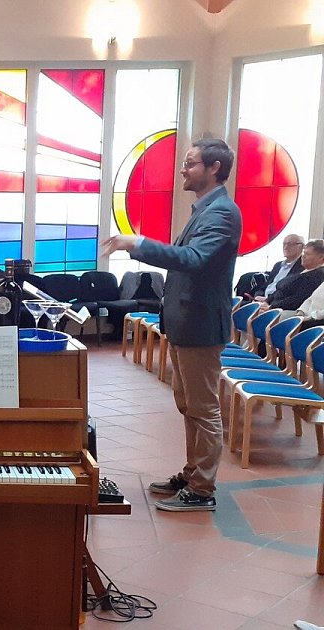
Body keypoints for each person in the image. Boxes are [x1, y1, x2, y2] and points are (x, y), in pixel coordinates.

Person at [103, 137, 242, 512]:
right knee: (188, 404)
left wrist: (138, 243)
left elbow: (193, 259)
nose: (184, 168)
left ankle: (202, 489)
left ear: (214, 168)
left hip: (200, 325)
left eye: (191, 163)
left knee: (203, 407)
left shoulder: (222, 212)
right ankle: (193, 471)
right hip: (185, 323)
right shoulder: (205, 209)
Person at [261, 239, 324, 312]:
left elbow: (297, 299)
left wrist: (271, 307)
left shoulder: (317, 275)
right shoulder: (303, 270)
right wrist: (267, 301)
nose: (303, 256)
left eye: (307, 254)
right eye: (303, 253)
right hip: (272, 304)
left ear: (321, 257)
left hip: (284, 310)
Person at [258, 233, 304, 298]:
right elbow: (266, 286)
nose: (286, 247)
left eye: (290, 244)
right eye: (284, 244)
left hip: (275, 302)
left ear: (301, 247)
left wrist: (268, 300)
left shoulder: (303, 267)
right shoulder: (278, 265)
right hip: (262, 299)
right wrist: (257, 296)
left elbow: (289, 292)